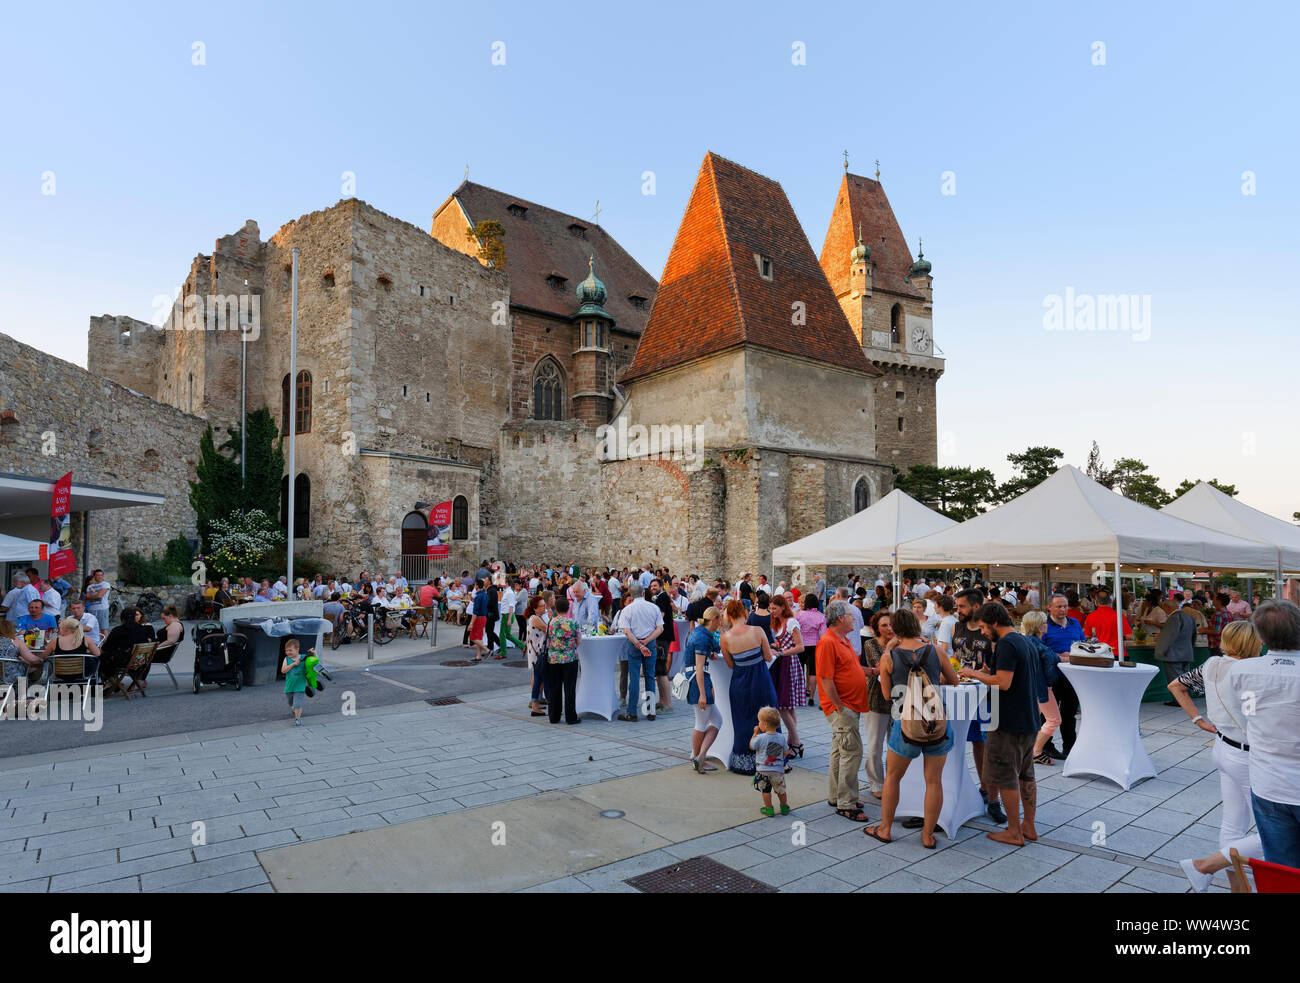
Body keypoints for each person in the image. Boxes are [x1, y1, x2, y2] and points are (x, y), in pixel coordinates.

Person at [1169, 620, 1265, 891]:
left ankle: (1237, 887)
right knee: (1275, 829)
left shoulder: (1212, 664)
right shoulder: (1250, 671)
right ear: (1253, 643)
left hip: (1223, 747)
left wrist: (1198, 719)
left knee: (1233, 823)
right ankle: (1204, 865)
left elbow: (1176, 685)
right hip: (1247, 756)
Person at [863, 607, 957, 848]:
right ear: (917, 626)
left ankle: (884, 829)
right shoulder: (935, 650)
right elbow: (954, 681)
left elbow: (886, 695)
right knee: (934, 781)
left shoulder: (888, 658)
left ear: (895, 629)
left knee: (893, 777)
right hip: (936, 723)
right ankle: (927, 835)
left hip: (903, 724)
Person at [959, 602, 1043, 846]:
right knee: (1026, 774)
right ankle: (1029, 825)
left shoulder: (1006, 644)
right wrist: (989, 672)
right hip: (1028, 719)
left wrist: (975, 674)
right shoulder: (1023, 640)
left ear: (995, 623)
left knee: (1006, 776)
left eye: (984, 627)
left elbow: (1003, 683)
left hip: (1008, 721)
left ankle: (1014, 832)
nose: (983, 632)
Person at [1225, 600, 1300, 868]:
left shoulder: (1242, 670)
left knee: (1281, 867)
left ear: (1260, 635)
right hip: (1270, 781)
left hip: (1268, 780)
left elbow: (1245, 715)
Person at [952, 588, 1004, 823]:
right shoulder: (957, 626)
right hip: (960, 693)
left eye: (961, 606)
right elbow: (953, 654)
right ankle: (958, 787)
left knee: (985, 744)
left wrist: (986, 672)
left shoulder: (990, 632)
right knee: (961, 739)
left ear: (975, 606)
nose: (958, 610)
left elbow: (998, 667)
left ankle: (990, 794)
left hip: (985, 696)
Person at [817, 599, 869, 821]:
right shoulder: (828, 642)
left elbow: (852, 668)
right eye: (850, 615)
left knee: (840, 751)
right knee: (852, 751)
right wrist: (837, 705)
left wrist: (872, 671)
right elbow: (826, 678)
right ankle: (846, 802)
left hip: (848, 704)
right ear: (840, 619)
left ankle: (837, 795)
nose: (854, 618)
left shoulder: (842, 640)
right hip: (842, 706)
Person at [721, 598, 778, 775]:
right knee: (769, 720)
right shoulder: (757, 630)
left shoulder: (725, 638)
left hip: (739, 683)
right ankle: (772, 761)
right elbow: (769, 658)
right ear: (744, 613)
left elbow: (730, 665)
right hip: (760, 679)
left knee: (742, 722)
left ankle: (743, 762)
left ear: (729, 616)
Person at [1042, 594, 1084, 758]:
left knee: (1069, 714)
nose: (1063, 609)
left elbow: (1083, 645)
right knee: (1048, 716)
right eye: (1059, 606)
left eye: (1065, 606)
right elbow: (1040, 649)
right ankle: (1046, 746)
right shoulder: (1044, 625)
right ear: (1049, 607)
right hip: (1052, 677)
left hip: (1072, 677)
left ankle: (1070, 748)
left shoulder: (1075, 623)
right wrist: (1059, 655)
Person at [860, 610, 896, 800]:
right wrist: (891, 646)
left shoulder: (902, 643)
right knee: (875, 745)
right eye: (884, 625)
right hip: (876, 699)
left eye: (891, 624)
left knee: (896, 745)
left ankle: (893, 781)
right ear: (876, 628)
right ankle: (876, 782)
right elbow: (881, 665)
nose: (889, 628)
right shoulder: (870, 644)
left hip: (898, 699)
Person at [1021, 611, 1064, 765]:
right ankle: (1036, 751)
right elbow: (1052, 659)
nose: (1046, 625)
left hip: (1030, 687)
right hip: (1041, 688)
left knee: (1033, 719)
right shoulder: (1038, 645)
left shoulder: (1027, 642)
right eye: (1044, 622)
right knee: (1054, 719)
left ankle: (1028, 749)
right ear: (1038, 626)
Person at [684, 606, 723, 773]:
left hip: (697, 679)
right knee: (702, 722)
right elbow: (699, 668)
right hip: (699, 681)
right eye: (719, 619)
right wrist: (702, 694)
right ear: (714, 619)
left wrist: (710, 654)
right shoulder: (702, 636)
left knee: (715, 720)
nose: (720, 622)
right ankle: (698, 757)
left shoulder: (700, 632)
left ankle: (700, 756)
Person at [617, 584, 663, 722]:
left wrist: (638, 643)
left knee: (635, 677)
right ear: (643, 593)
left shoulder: (627, 609)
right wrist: (646, 641)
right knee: (649, 676)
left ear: (631, 595)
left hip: (635, 644)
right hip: (649, 643)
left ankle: (632, 712)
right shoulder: (654, 607)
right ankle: (651, 711)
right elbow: (660, 628)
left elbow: (626, 631)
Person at [768, 592, 805, 760]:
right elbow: (783, 642)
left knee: (783, 706)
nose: (772, 611)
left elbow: (800, 647)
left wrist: (782, 651)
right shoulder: (778, 623)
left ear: (783, 607)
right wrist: (775, 645)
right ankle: (792, 742)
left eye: (774, 608)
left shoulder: (791, 622)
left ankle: (796, 742)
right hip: (781, 664)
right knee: (788, 707)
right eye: (770, 608)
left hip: (789, 665)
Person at [544, 596, 581, 725]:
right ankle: (570, 717)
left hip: (553, 658)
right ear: (568, 607)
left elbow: (548, 640)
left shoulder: (551, 622)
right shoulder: (573, 622)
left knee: (554, 688)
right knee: (569, 688)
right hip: (569, 658)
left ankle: (554, 716)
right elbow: (578, 640)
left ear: (556, 608)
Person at [1153, 597, 1196, 706]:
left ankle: (1179, 700)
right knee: (1185, 677)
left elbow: (1169, 637)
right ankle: (1186, 698)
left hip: (1173, 655)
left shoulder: (1174, 618)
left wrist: (1161, 651)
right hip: (1187, 653)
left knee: (1175, 679)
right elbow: (1194, 636)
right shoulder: (1189, 617)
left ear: (1167, 607)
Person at [751, 707, 790, 816]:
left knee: (766, 791)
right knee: (780, 790)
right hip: (777, 771)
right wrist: (779, 756)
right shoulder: (781, 737)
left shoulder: (760, 737)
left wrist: (755, 733)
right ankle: (784, 807)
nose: (758, 724)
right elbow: (787, 752)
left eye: (760, 721)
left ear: (765, 724)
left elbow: (752, 746)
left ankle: (769, 809)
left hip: (763, 771)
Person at [794, 593, 826, 709]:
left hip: (801, 645)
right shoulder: (821, 617)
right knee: (813, 671)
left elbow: (794, 630)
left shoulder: (799, 615)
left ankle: (799, 696)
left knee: (800, 670)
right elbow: (824, 635)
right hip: (815, 645)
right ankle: (812, 697)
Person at [524, 594, 550, 716]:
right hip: (538, 654)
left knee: (541, 678)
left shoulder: (536, 617)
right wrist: (551, 618)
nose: (544, 608)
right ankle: (534, 705)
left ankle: (536, 702)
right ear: (535, 608)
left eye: (544, 605)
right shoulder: (535, 618)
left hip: (538, 653)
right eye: (541, 606)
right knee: (539, 678)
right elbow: (549, 630)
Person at [281, 639, 310, 726]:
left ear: (297, 649)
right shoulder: (286, 659)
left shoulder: (304, 658)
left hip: (300, 685)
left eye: (290, 650)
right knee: (291, 702)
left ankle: (297, 719)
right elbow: (283, 670)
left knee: (297, 703)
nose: (288, 652)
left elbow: (314, 662)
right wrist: (293, 664)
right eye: (286, 650)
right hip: (289, 686)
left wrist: (314, 653)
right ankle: (294, 708)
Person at [468, 579, 490, 662]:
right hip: (484, 617)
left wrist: (471, 623)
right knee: (479, 637)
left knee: (473, 637)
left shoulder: (478, 597)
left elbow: (475, 612)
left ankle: (486, 650)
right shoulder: (485, 595)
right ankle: (478, 656)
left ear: (476, 586)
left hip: (478, 618)